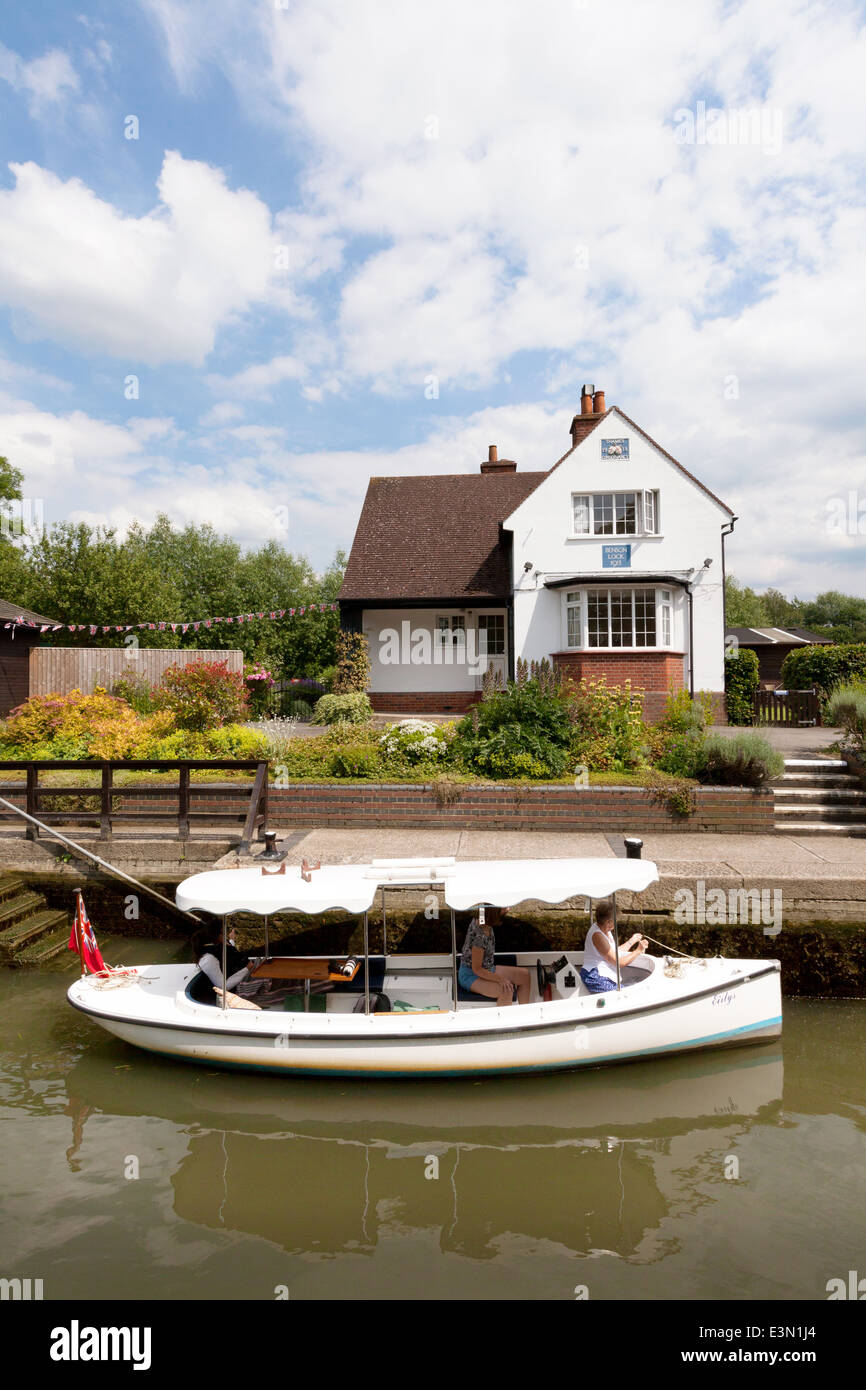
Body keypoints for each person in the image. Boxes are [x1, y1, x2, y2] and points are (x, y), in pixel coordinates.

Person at [458, 906, 531, 1004]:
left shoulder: (485, 921)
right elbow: (477, 969)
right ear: (493, 911)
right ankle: (504, 1019)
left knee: (525, 976)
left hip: (487, 968)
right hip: (471, 975)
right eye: (503, 908)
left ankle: (525, 1014)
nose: (508, 909)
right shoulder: (479, 937)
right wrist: (501, 979)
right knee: (506, 989)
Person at [579, 900, 647, 993]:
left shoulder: (604, 929)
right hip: (595, 977)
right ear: (608, 922)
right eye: (615, 921)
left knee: (631, 987)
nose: (615, 924)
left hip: (602, 974)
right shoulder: (597, 935)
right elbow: (619, 963)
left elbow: (614, 952)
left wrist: (632, 941)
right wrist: (638, 951)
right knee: (625, 994)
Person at [192, 925, 265, 1000]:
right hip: (232, 991)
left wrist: (231, 940)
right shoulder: (209, 959)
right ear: (215, 939)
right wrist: (247, 968)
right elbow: (223, 986)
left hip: (235, 977)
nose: (224, 935)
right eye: (221, 933)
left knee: (262, 964)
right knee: (263, 973)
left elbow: (229, 952)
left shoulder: (214, 950)